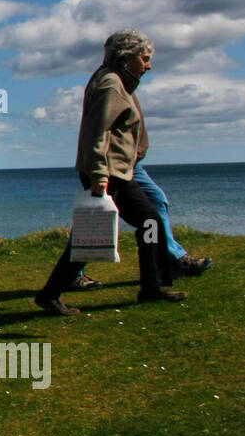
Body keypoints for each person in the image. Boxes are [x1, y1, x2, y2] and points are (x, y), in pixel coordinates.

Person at [36, 29, 186, 315]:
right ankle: (51, 293)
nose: (149, 65)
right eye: (145, 58)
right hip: (108, 172)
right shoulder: (112, 84)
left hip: (114, 171)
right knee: (107, 231)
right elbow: (97, 132)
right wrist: (99, 177)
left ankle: (151, 287)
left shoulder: (113, 80)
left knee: (139, 223)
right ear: (127, 58)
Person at [70, 161, 212, 290]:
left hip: (129, 161)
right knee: (95, 216)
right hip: (106, 163)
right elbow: (95, 137)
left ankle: (173, 259)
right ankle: (69, 276)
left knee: (155, 203)